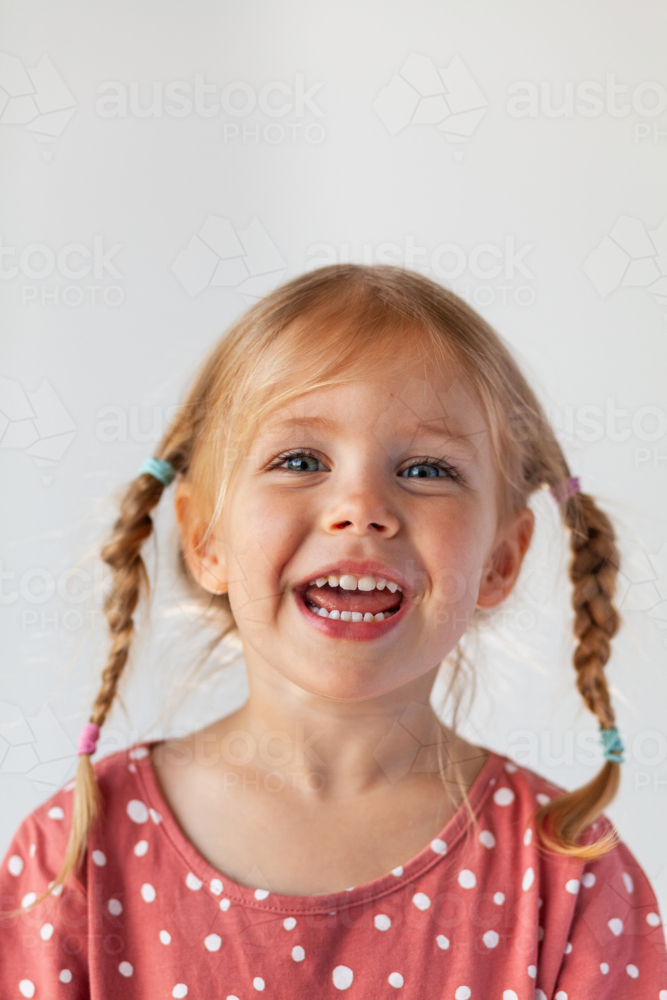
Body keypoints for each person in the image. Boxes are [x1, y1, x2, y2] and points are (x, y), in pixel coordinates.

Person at [1, 265, 665, 998]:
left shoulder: (571, 877)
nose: (360, 507)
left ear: (500, 560)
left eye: (425, 469)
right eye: (299, 461)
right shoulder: (74, 858)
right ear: (206, 540)